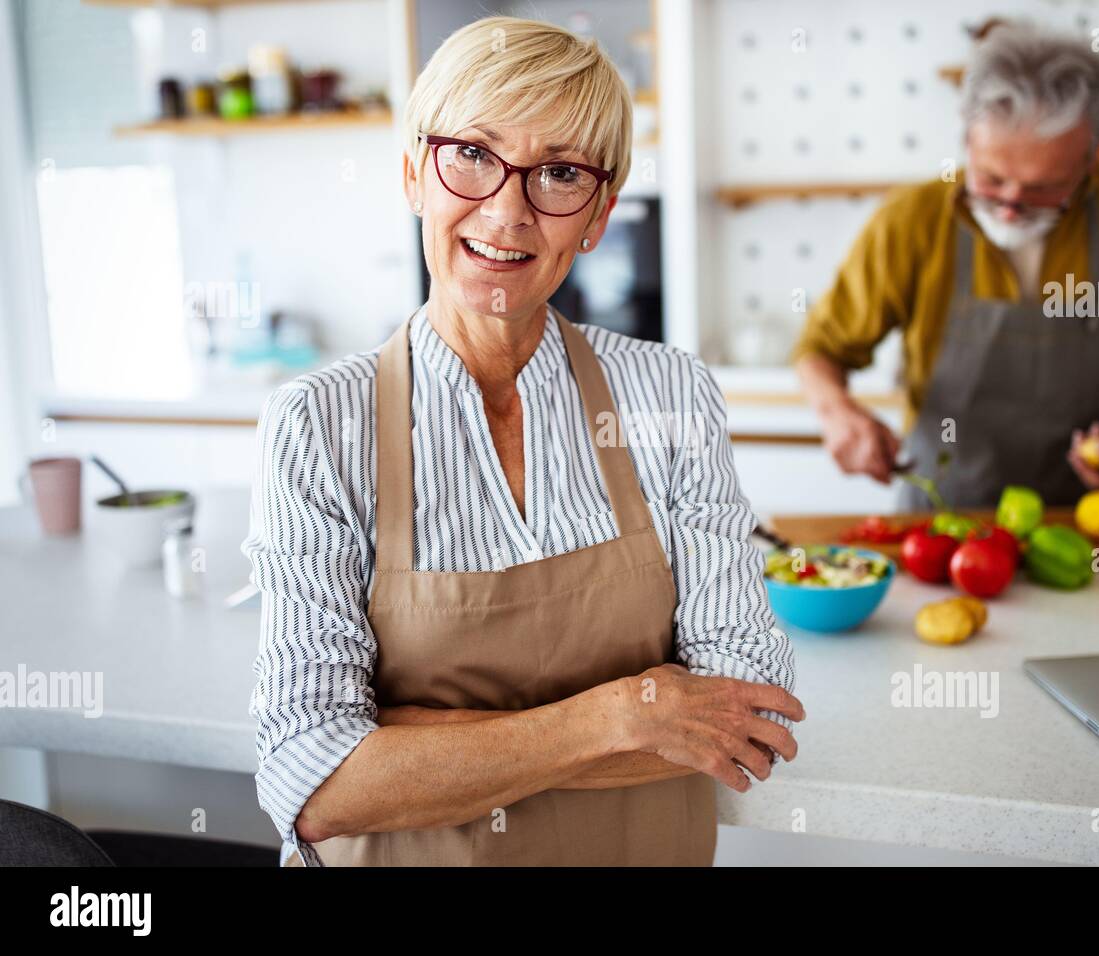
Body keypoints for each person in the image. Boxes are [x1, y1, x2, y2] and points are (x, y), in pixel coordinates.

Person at [242, 16, 801, 867]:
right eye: (471, 153)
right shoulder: (320, 425)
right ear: (412, 175)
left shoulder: (670, 396)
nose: (507, 210)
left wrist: (404, 744)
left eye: (560, 173)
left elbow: (741, 720)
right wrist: (624, 713)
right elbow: (314, 783)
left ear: (599, 218)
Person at [793, 22, 1099, 518]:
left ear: (1098, 152)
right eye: (991, 178)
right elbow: (821, 350)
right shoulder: (911, 221)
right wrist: (838, 415)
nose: (1009, 207)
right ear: (966, 137)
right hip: (947, 527)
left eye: (1045, 187)